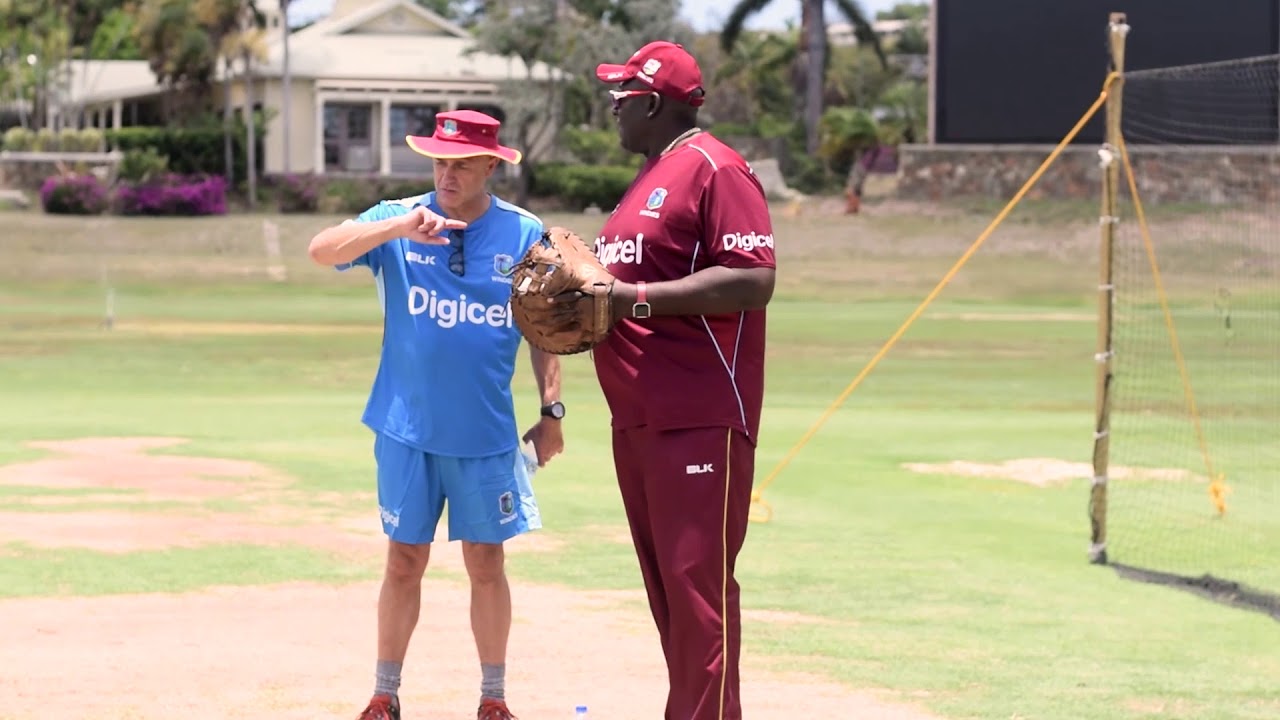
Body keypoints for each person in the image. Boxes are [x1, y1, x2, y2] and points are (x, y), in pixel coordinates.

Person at [307, 109, 567, 720]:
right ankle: (384, 694)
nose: (447, 175)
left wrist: (551, 411)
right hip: (407, 430)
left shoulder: (524, 233)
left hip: (485, 434)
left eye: (462, 165)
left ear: (490, 166)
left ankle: (494, 699)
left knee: (486, 563)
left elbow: (544, 329)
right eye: (439, 163)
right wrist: (400, 227)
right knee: (403, 560)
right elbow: (320, 251)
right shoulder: (398, 217)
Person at [588, 41, 778, 720]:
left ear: (653, 103)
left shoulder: (715, 169)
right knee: (669, 594)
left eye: (622, 97)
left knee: (697, 592)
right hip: (638, 417)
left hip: (697, 413)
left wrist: (631, 300)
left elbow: (754, 279)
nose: (614, 109)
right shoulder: (647, 178)